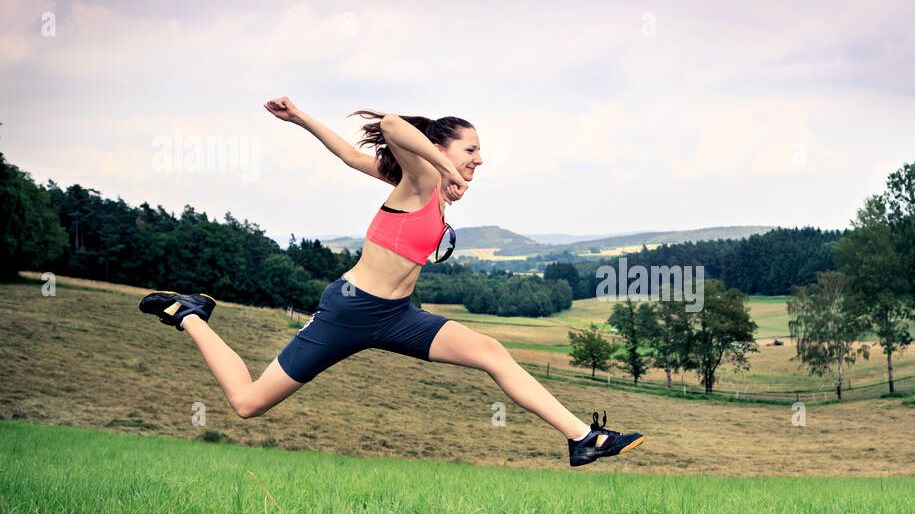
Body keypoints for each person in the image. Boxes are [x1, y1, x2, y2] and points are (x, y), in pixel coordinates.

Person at [138, 96, 643, 467]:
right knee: (247, 403)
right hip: (351, 311)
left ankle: (583, 439)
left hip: (398, 317)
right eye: (470, 149)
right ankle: (189, 314)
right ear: (438, 149)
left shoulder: (434, 190)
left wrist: (302, 119)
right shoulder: (420, 178)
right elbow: (392, 124)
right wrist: (445, 168)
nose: (479, 160)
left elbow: (349, 155)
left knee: (491, 350)